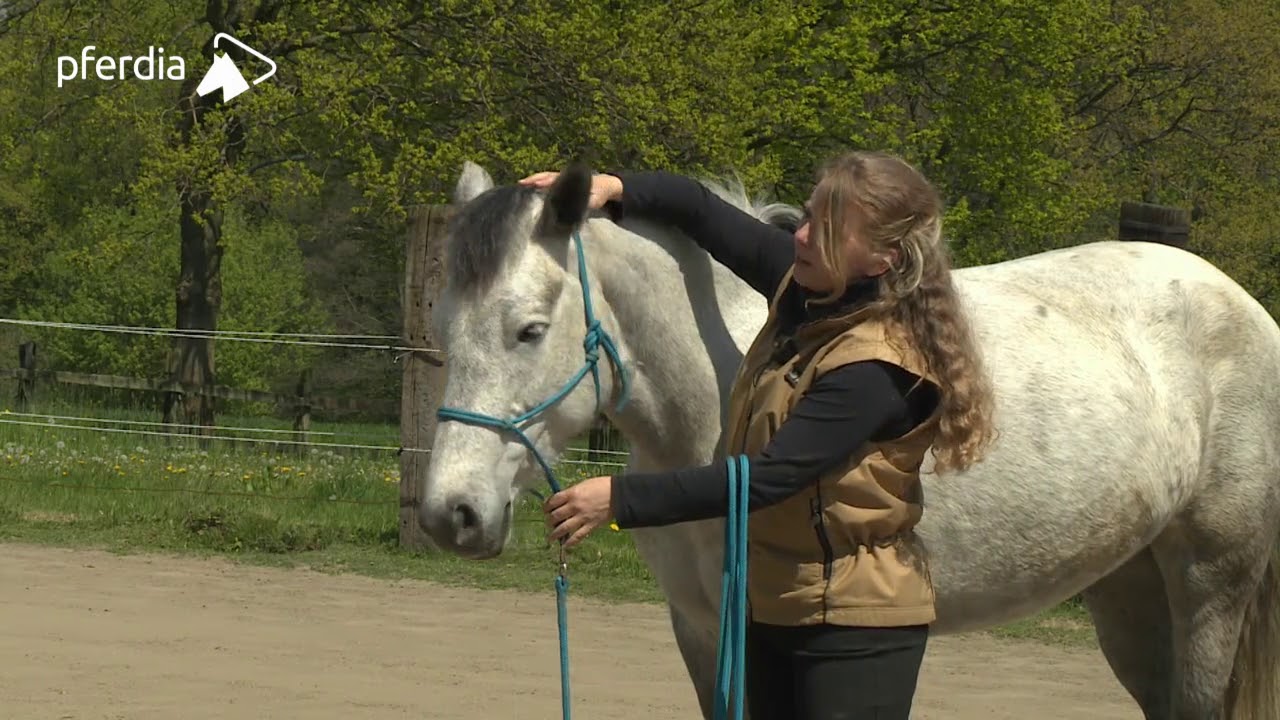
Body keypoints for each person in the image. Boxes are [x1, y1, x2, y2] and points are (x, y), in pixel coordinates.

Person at [519, 150, 996, 720]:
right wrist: (613, 186)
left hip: (854, 630)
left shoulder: (876, 365)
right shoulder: (807, 290)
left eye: (829, 228)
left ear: (882, 258)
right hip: (781, 607)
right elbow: (699, 210)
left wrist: (618, 501)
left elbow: (769, 477)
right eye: (808, 215)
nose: (802, 235)